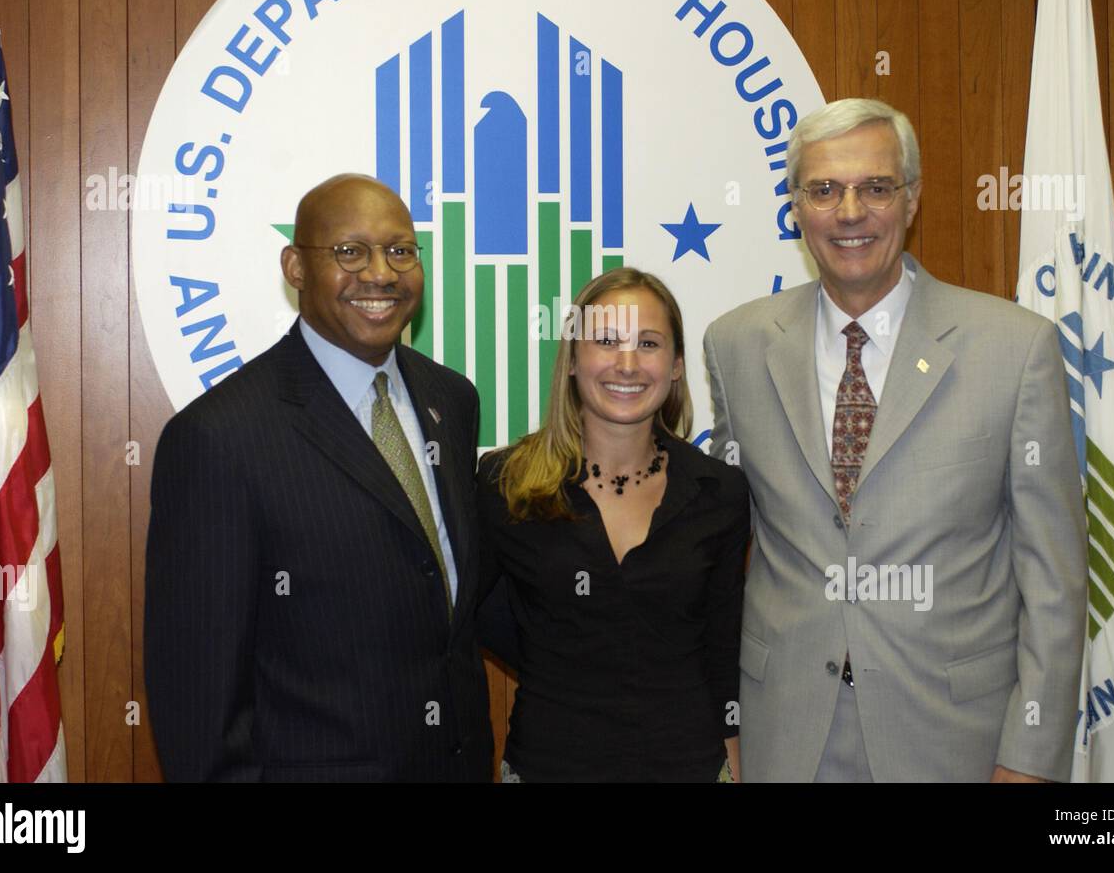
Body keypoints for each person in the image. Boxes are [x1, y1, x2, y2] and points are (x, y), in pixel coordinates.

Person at [703, 98, 1087, 782]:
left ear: (911, 199)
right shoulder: (736, 345)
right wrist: (721, 729)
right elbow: (721, 553)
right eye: (824, 190)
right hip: (784, 736)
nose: (849, 212)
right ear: (796, 205)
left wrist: (1029, 760)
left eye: (876, 187)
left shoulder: (1015, 349)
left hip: (952, 740)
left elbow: (1054, 582)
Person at [145, 173, 492, 781]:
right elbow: (198, 705)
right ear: (295, 267)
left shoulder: (451, 400)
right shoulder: (219, 437)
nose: (381, 273)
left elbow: (453, 606)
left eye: (400, 250)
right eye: (349, 252)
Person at [476, 268, 750, 782]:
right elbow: (488, 616)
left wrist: (735, 764)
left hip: (687, 764)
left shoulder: (720, 493)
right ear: (574, 361)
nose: (627, 364)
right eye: (606, 341)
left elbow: (722, 650)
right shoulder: (504, 484)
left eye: (648, 343)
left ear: (675, 367)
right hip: (548, 763)